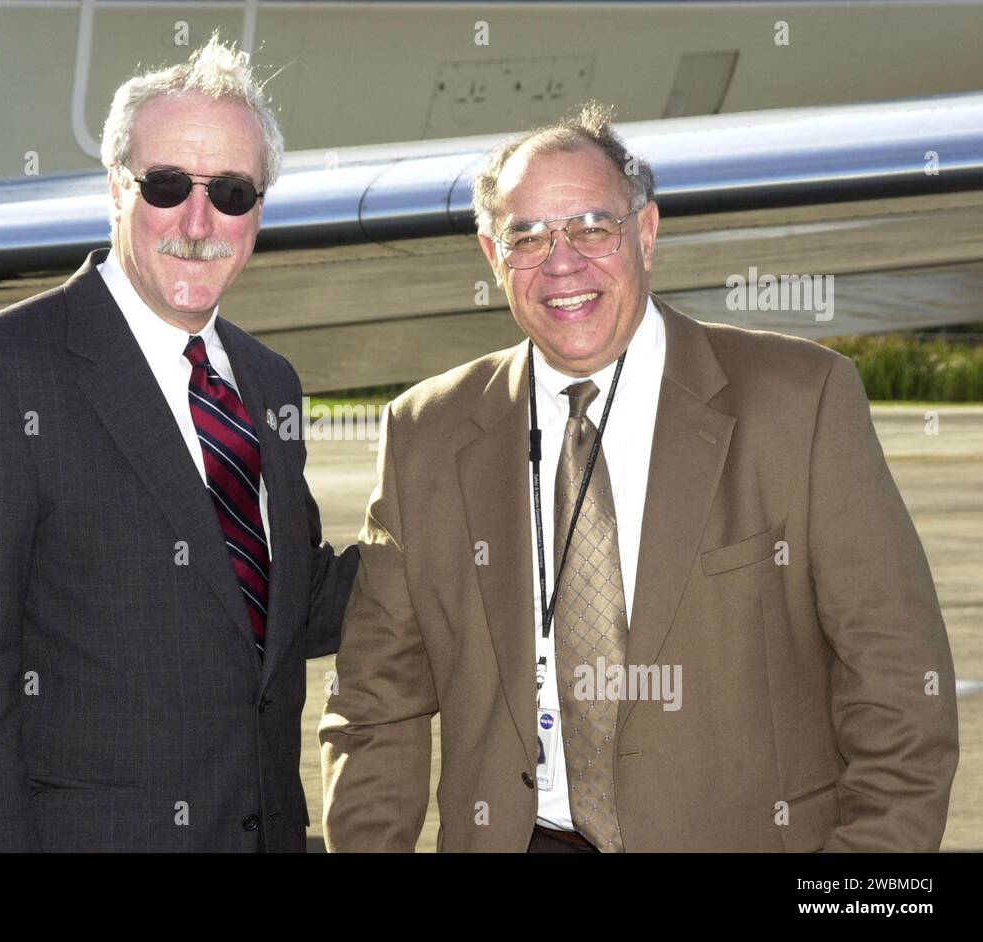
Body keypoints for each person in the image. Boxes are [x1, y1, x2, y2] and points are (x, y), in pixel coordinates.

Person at [319, 102, 958, 853]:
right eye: (528, 236)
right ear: (494, 257)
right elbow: (375, 707)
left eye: (593, 227)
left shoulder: (800, 401)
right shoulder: (424, 432)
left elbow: (898, 685)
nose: (563, 263)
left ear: (646, 233)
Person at [0, 35, 358, 852]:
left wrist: (474, 541)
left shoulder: (267, 381)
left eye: (232, 192)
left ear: (259, 210)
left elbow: (283, 600)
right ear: (115, 188)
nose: (198, 222)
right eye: (167, 185)